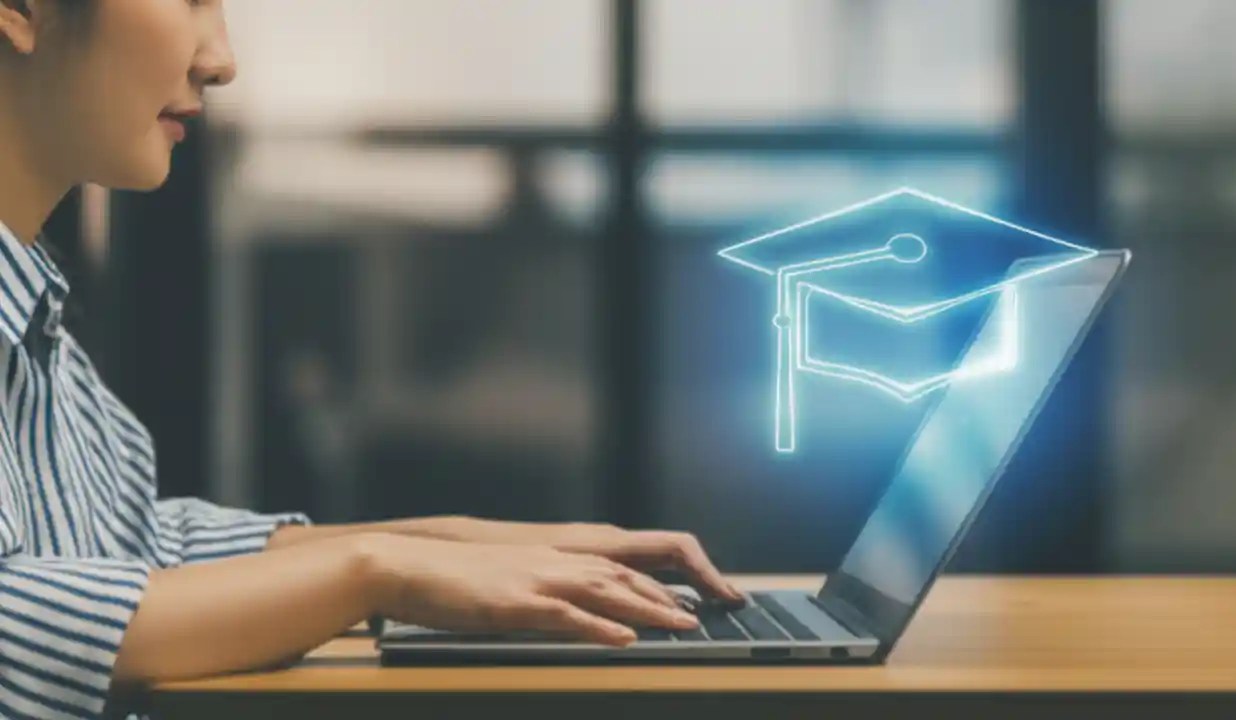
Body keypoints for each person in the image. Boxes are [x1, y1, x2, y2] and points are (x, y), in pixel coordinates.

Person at [0, 1, 743, 717]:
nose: (222, 62)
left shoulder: (33, 318)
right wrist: (380, 574)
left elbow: (141, 551)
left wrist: (463, 546)